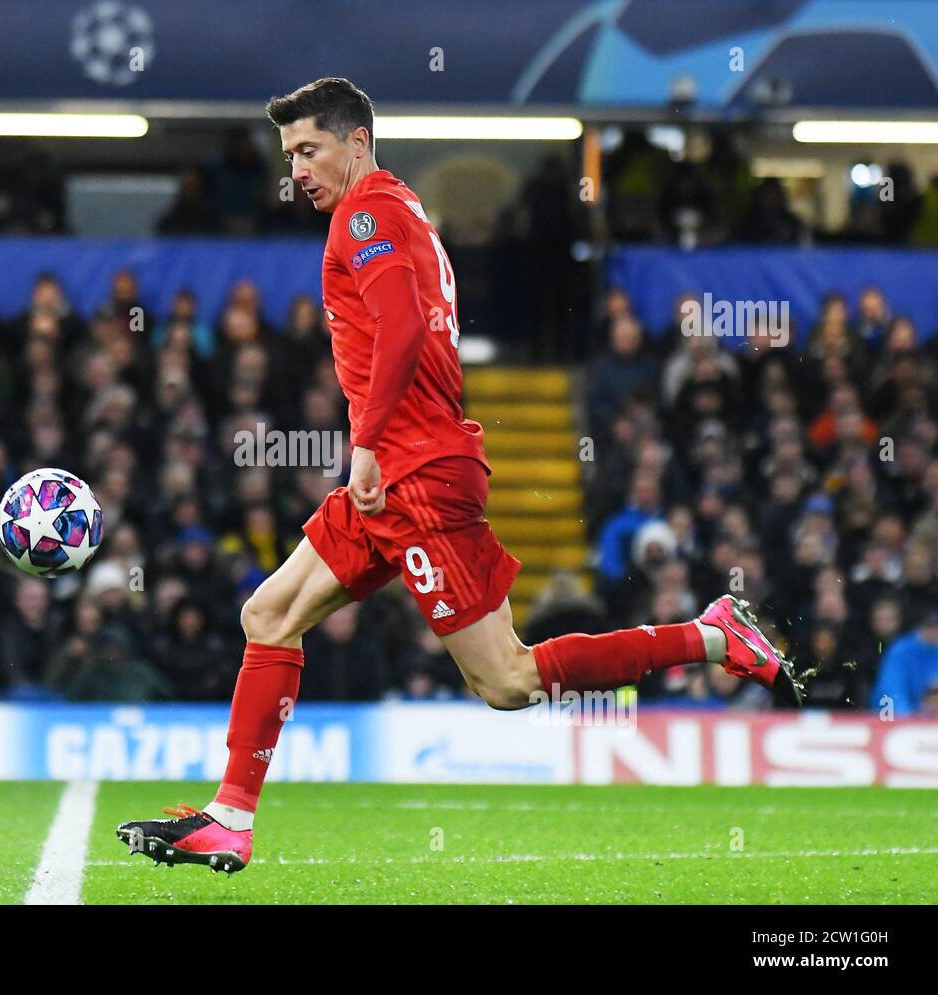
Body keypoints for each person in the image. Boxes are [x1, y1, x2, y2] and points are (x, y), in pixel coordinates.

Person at [163, 80, 805, 875]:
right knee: (269, 612)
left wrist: (364, 442)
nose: (295, 169)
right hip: (403, 470)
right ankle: (230, 815)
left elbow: (400, 326)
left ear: (357, 141)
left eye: (308, 149)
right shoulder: (395, 212)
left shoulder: (365, 214)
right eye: (288, 154)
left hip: (414, 473)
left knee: (506, 679)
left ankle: (713, 637)